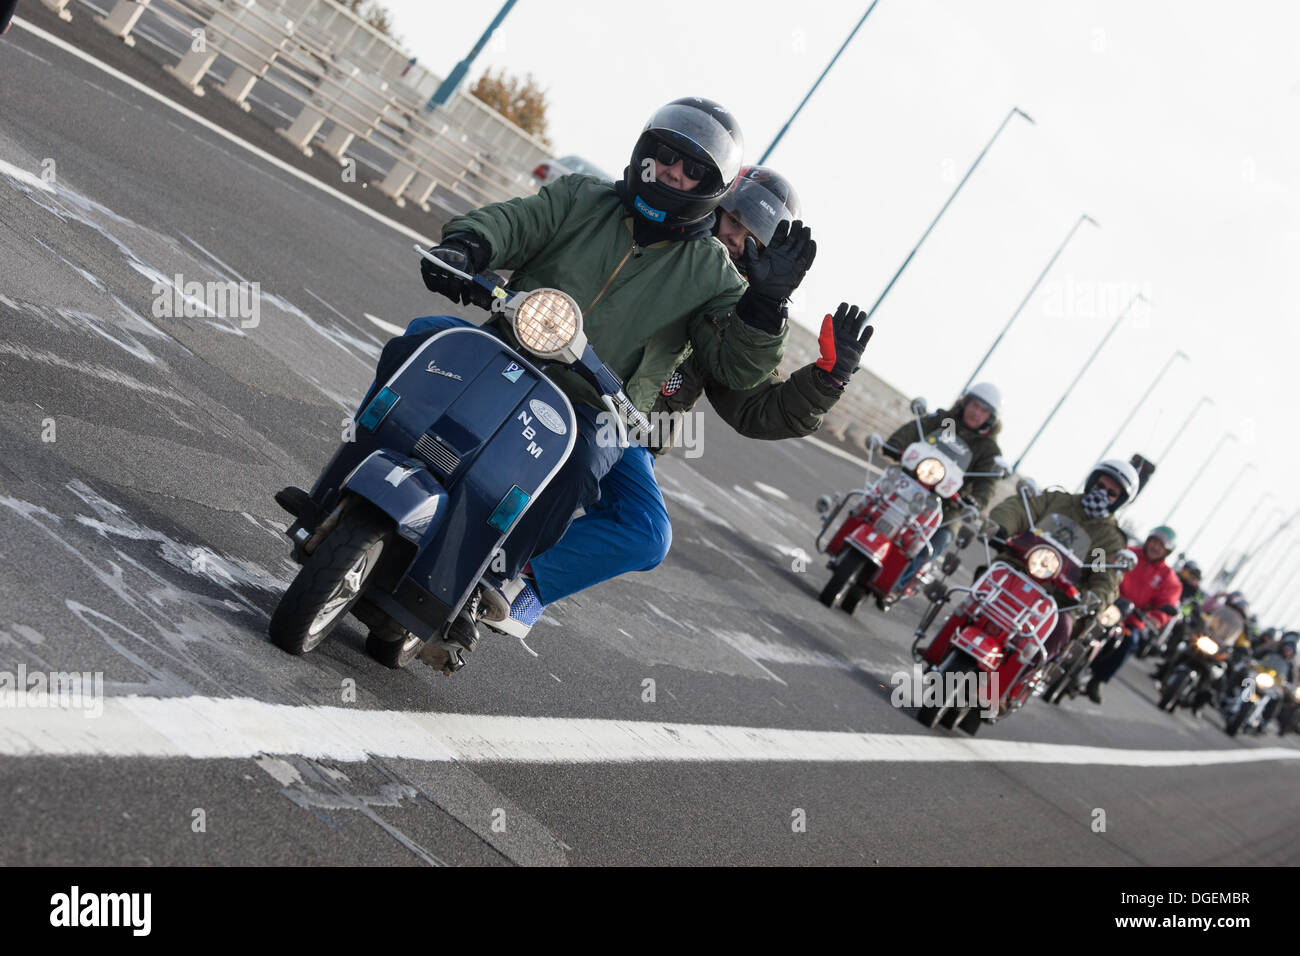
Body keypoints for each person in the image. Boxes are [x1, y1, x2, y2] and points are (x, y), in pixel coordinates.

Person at [278, 97, 811, 670]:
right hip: (506, 346)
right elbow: (518, 221)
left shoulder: (714, 276)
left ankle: (494, 577)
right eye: (666, 156)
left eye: (693, 170)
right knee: (420, 338)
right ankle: (341, 486)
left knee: (581, 463)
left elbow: (736, 367)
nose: (674, 172)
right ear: (645, 152)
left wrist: (765, 306)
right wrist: (470, 246)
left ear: (712, 186)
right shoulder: (584, 197)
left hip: (595, 403)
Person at [522, 167, 870, 618]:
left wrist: (828, 376)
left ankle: (525, 577)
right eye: (734, 221)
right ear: (717, 205)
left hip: (624, 431)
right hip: (555, 374)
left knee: (648, 532)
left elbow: (757, 408)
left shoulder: (740, 318)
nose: (736, 239)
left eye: (752, 237)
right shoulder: (658, 239)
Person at [986, 459, 1138, 662]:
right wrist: (1001, 527)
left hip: (1059, 601)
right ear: (1091, 481)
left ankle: (1015, 681)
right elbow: (1022, 509)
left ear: (1119, 501)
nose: (1102, 493)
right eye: (1100, 485)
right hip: (1018, 570)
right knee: (984, 586)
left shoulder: (1107, 539)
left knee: (1060, 629)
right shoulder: (1056, 500)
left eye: (1111, 493)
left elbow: (1104, 575)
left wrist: (1093, 597)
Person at [886, 383, 1005, 594]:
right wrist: (896, 443)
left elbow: (988, 484)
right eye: (974, 405)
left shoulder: (988, 449)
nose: (976, 413)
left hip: (948, 505)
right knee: (879, 493)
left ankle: (897, 585)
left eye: (984, 410)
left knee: (942, 537)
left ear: (990, 417)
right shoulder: (946, 421)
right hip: (914, 480)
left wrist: (975, 501)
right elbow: (917, 428)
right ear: (966, 403)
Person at [1084, 525, 1182, 704]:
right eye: (1153, 541)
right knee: (1082, 617)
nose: (1154, 547)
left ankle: (1099, 681)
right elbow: (1105, 565)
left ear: (1167, 551)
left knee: (1130, 642)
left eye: (1160, 545)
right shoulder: (1128, 553)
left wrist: (1156, 618)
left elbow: (1168, 603)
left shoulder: (1169, 578)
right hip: (1107, 604)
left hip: (1132, 619)